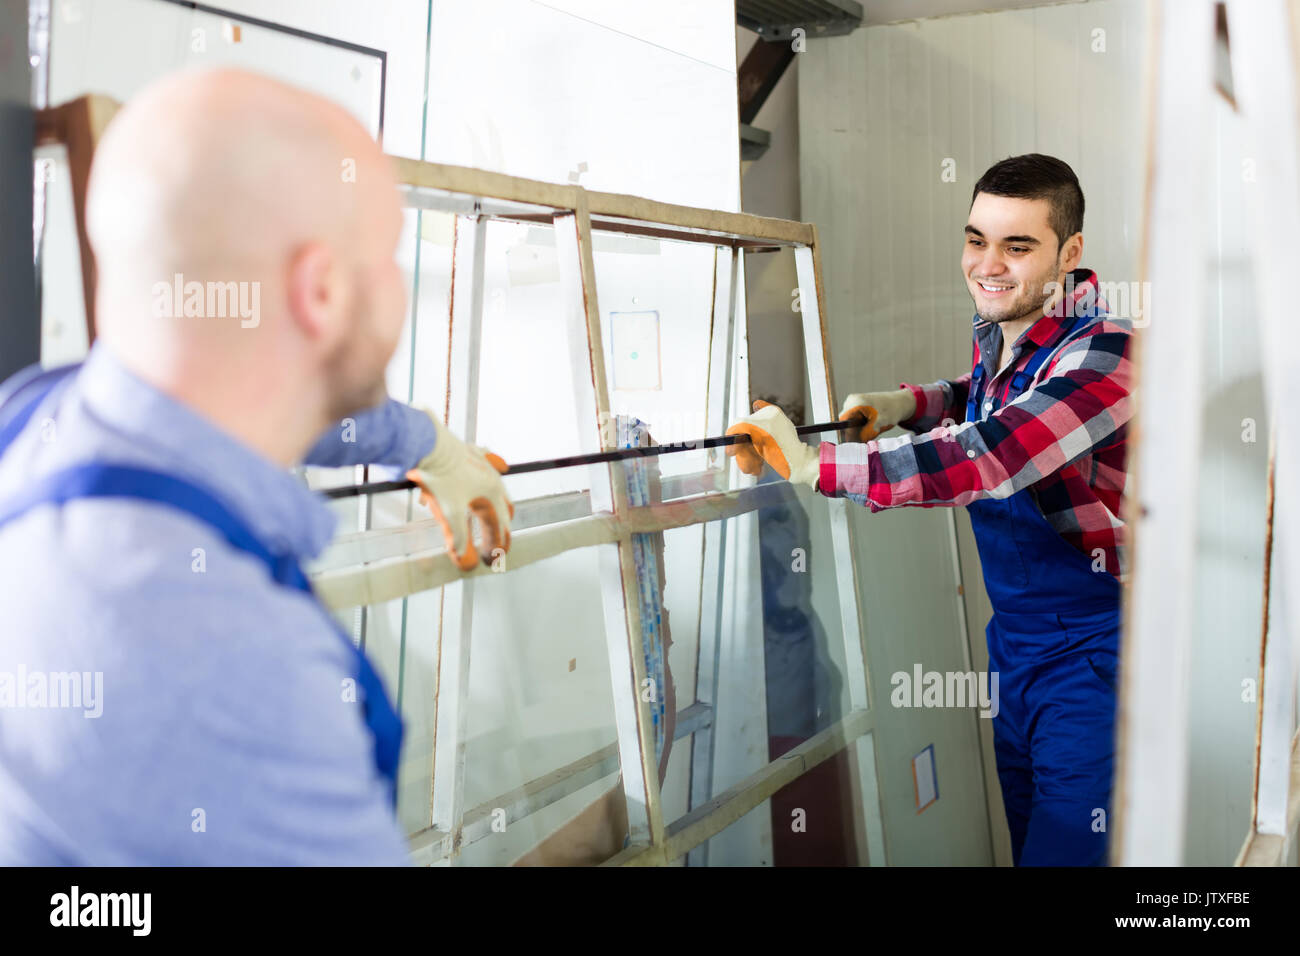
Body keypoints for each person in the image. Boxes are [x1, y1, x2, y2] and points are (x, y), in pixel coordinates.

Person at [0, 69, 512, 864]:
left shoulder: (36, 416)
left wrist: (429, 446)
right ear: (321, 290)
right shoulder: (226, 666)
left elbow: (262, 407)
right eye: (385, 256)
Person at [726, 154, 1132, 866]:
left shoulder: (1108, 353)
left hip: (1095, 657)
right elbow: (983, 397)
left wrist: (816, 464)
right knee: (1029, 838)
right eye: (976, 239)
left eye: (1018, 245)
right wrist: (910, 404)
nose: (987, 264)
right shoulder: (1012, 336)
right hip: (1016, 648)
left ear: (1070, 254)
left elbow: (991, 454)